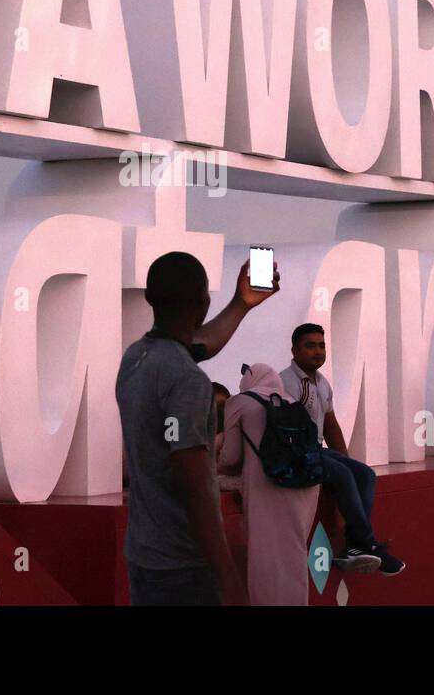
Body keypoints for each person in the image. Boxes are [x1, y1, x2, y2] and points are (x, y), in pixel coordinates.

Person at [116, 251, 279, 606]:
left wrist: (241, 304)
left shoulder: (136, 357)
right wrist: (228, 576)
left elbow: (197, 343)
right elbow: (192, 484)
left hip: (145, 556)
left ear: (149, 298)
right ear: (204, 300)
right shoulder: (187, 379)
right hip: (186, 565)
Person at [279, 323, 405, 575]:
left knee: (364, 474)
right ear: (294, 350)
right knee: (345, 475)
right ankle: (366, 542)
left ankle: (355, 545)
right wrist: (341, 472)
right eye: (310, 346)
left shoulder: (322, 383)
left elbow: (332, 427)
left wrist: (345, 462)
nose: (318, 351)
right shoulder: (286, 382)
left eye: (321, 345)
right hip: (294, 454)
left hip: (317, 450)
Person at [218, 363, 319, 606]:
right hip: (305, 485)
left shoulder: (239, 402)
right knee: (294, 555)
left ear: (250, 379)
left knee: (265, 557)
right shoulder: (292, 402)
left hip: (268, 487)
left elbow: (230, 458)